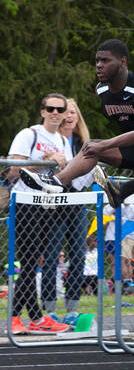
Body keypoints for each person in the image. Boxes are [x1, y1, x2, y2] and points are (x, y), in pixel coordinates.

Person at [21, 40, 134, 194]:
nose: (99, 65)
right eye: (97, 60)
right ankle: (56, 182)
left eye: (105, 61)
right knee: (93, 147)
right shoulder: (101, 90)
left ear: (122, 62)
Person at [6, 93, 74, 333]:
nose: (55, 113)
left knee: (32, 263)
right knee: (28, 262)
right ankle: (14, 318)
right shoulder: (29, 134)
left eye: (60, 109)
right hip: (25, 203)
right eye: (51, 108)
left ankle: (35, 317)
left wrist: (58, 162)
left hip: (49, 204)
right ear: (43, 111)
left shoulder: (64, 142)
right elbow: (14, 169)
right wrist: (46, 161)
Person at [40, 98, 95, 321]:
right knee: (52, 255)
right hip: (54, 200)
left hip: (77, 200)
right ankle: (50, 310)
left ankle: (72, 309)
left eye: (74, 112)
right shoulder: (53, 141)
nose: (70, 116)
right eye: (66, 112)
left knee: (78, 255)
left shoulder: (83, 141)